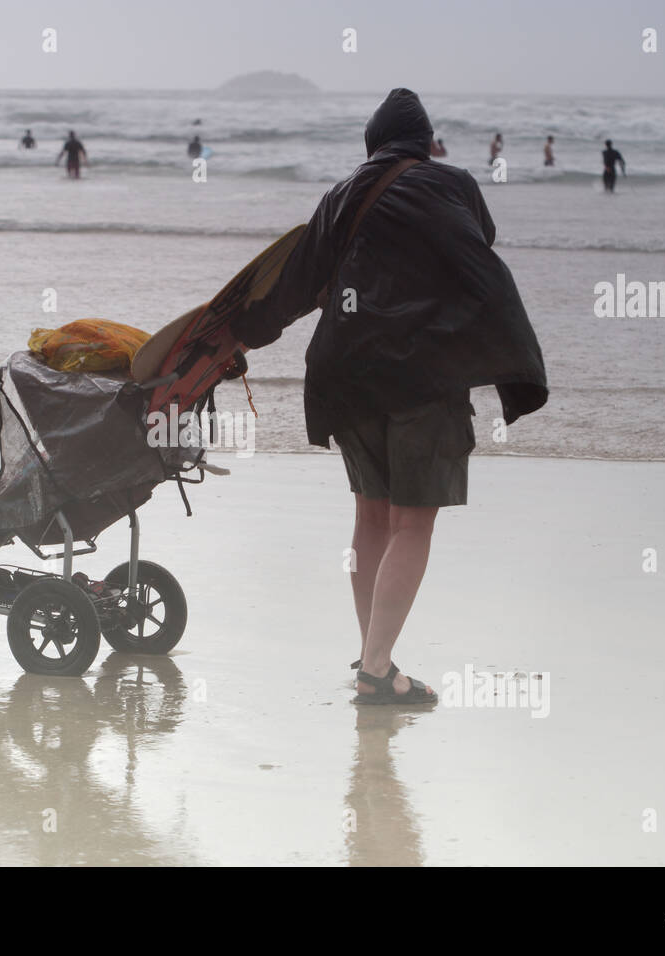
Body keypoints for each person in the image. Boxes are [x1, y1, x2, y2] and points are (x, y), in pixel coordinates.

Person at [225, 88, 548, 705]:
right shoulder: (451, 184)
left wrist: (236, 337)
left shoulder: (339, 197)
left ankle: (375, 656)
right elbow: (484, 247)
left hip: (343, 373)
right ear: (427, 144)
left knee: (370, 517)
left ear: (372, 147)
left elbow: (292, 285)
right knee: (412, 523)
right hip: (421, 379)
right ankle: (377, 670)